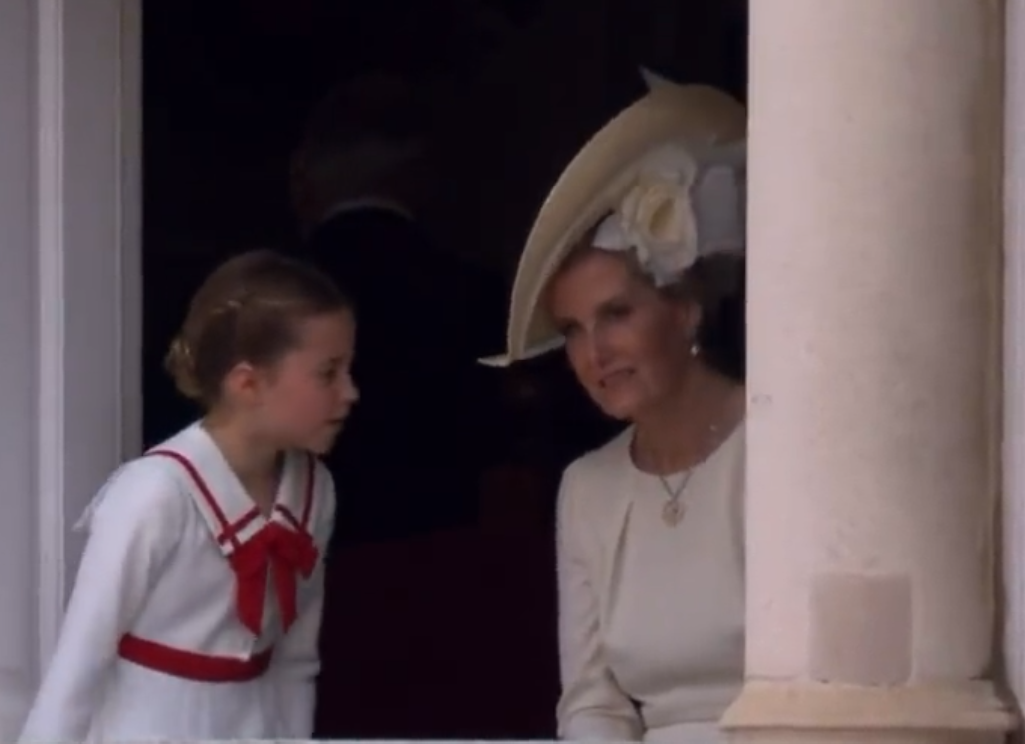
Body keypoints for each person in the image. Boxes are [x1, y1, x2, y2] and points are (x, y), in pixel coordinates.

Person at [481, 74, 748, 743]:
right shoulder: (588, 487)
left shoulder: (780, 445)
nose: (593, 352)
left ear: (685, 311)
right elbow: (593, 702)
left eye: (616, 315)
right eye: (572, 330)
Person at [17, 249, 358, 742]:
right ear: (248, 384)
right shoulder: (154, 495)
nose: (351, 392)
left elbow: (296, 661)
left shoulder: (314, 492)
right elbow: (78, 666)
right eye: (328, 373)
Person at [288, 72, 505, 546]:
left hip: (302, 581)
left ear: (303, 172)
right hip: (453, 576)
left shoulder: (270, 298)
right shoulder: (479, 296)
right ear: (421, 177)